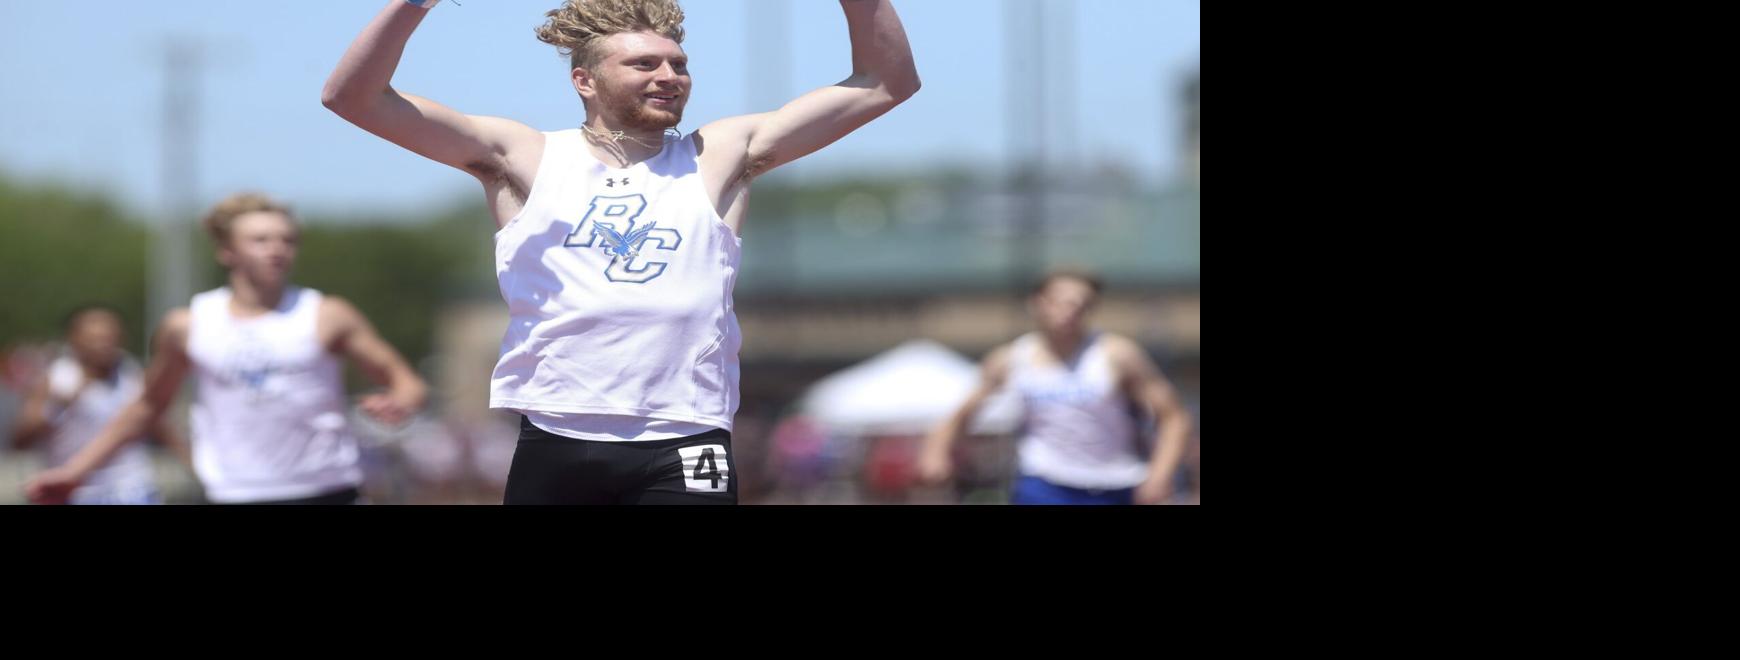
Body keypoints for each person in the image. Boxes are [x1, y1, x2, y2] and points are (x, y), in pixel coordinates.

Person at [322, 0, 919, 504]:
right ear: (585, 80)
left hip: (685, 433)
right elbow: (353, 97)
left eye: (679, 64)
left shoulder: (718, 154)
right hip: (558, 432)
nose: (669, 75)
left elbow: (886, 83)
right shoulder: (525, 156)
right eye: (644, 63)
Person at [25, 193, 428, 505]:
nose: (277, 248)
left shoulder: (326, 314)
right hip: (235, 490)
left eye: (287, 239)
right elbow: (146, 407)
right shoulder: (189, 324)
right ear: (227, 251)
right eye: (260, 239)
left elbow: (404, 380)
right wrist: (75, 471)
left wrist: (402, 402)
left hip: (326, 487)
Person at [918, 270, 1192, 506]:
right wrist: (936, 451)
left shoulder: (1116, 354)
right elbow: (962, 412)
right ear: (1037, 304)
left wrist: (1161, 473)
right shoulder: (1011, 358)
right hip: (1044, 480)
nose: (1069, 311)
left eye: (1079, 304)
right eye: (1060, 302)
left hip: (1113, 480)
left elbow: (1174, 417)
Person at [11, 307, 185, 504]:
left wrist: (190, 460)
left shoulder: (132, 373)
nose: (103, 345)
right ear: (73, 339)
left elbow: (158, 424)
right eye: (94, 338)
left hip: (132, 488)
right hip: (76, 493)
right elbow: (20, 440)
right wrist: (59, 406)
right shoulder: (56, 379)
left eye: (109, 337)